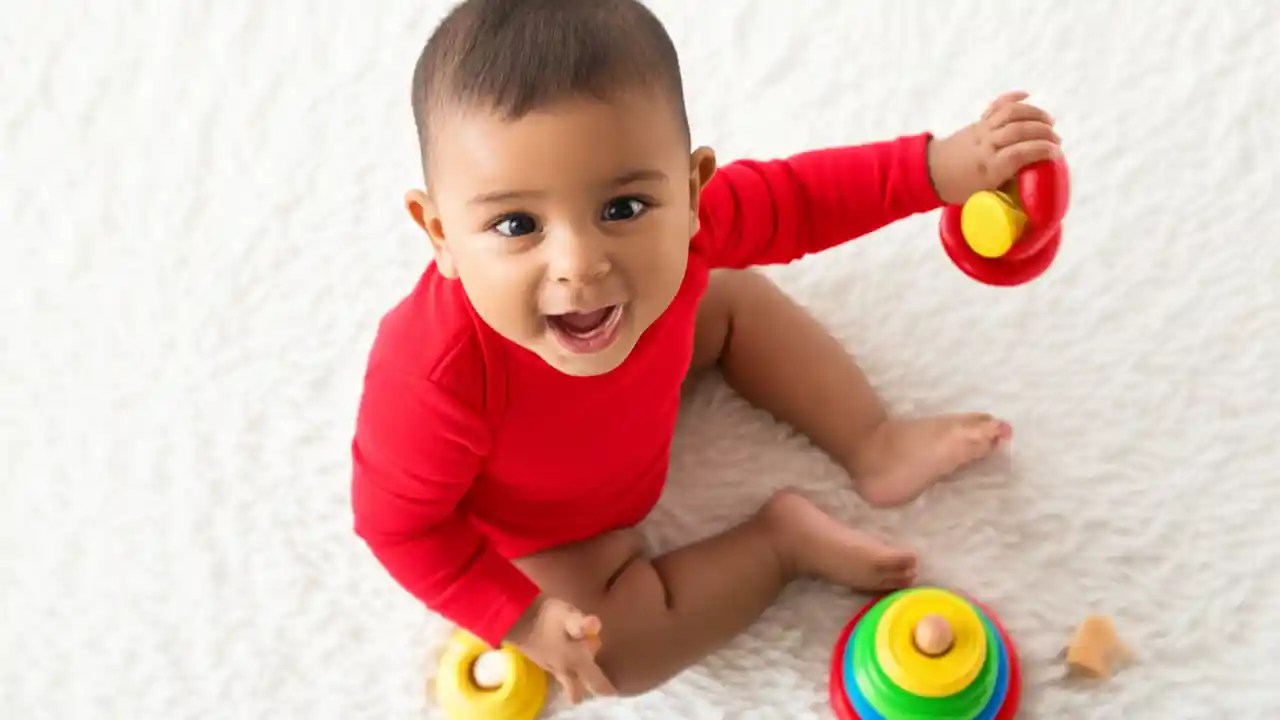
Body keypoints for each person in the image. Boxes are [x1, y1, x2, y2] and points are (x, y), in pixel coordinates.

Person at [350, 0, 1059, 703]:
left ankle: (875, 442)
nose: (579, 263)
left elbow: (804, 199)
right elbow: (401, 527)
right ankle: (779, 546)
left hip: (656, 374)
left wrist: (938, 168)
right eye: (516, 223)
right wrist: (524, 619)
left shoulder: (694, 235)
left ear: (692, 191)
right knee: (611, 655)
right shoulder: (432, 376)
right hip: (556, 528)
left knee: (731, 299)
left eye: (622, 208)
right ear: (439, 232)